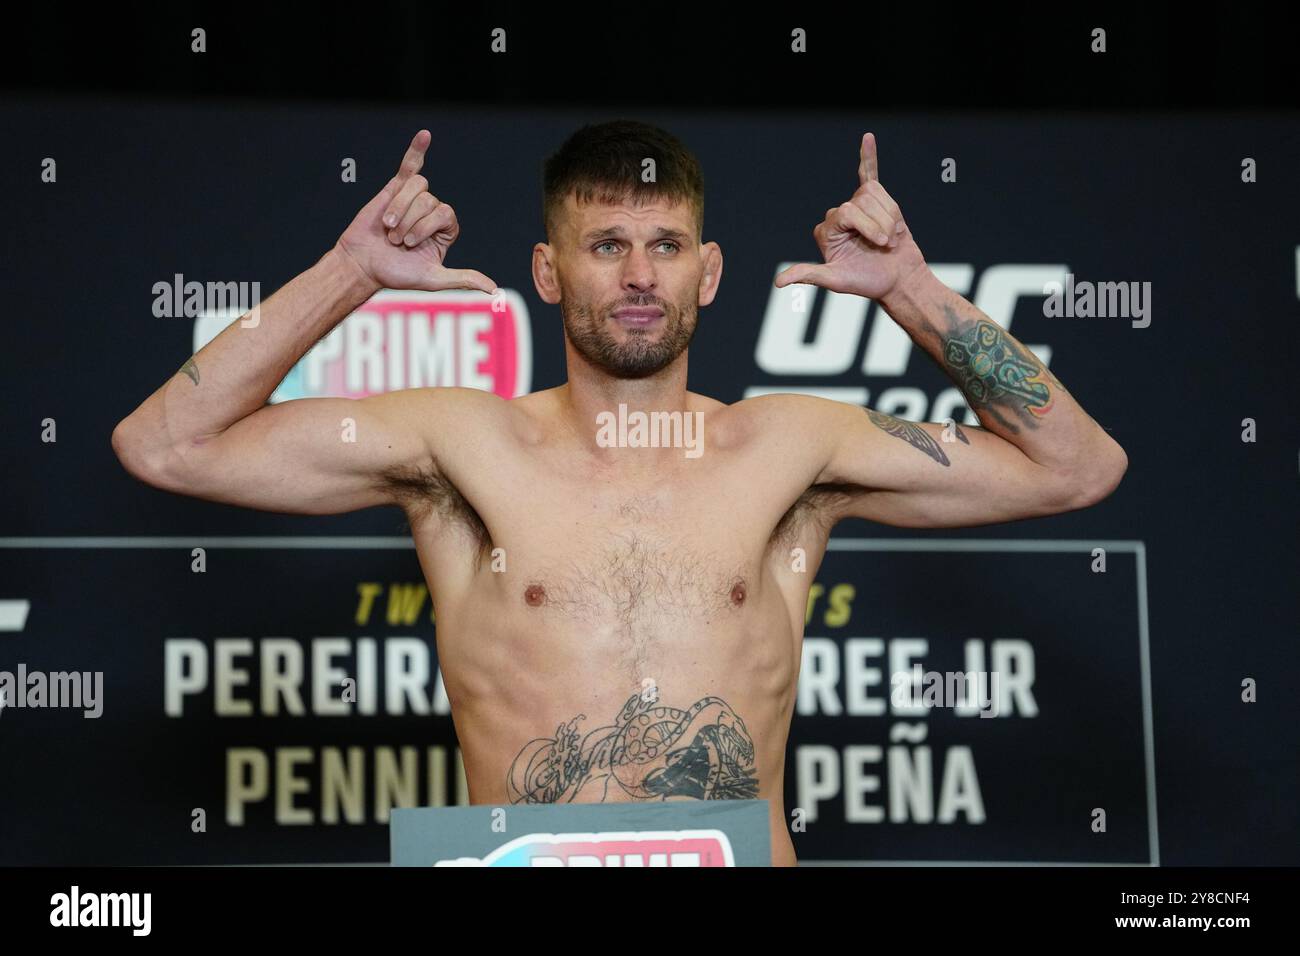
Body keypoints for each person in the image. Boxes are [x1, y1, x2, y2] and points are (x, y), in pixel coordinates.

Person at [112, 121, 1126, 866]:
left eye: (666, 246)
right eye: (607, 247)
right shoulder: (461, 443)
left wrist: (910, 287)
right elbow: (167, 445)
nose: (640, 275)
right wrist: (348, 272)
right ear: (548, 273)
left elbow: (1075, 466)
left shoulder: (790, 445)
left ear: (709, 271)